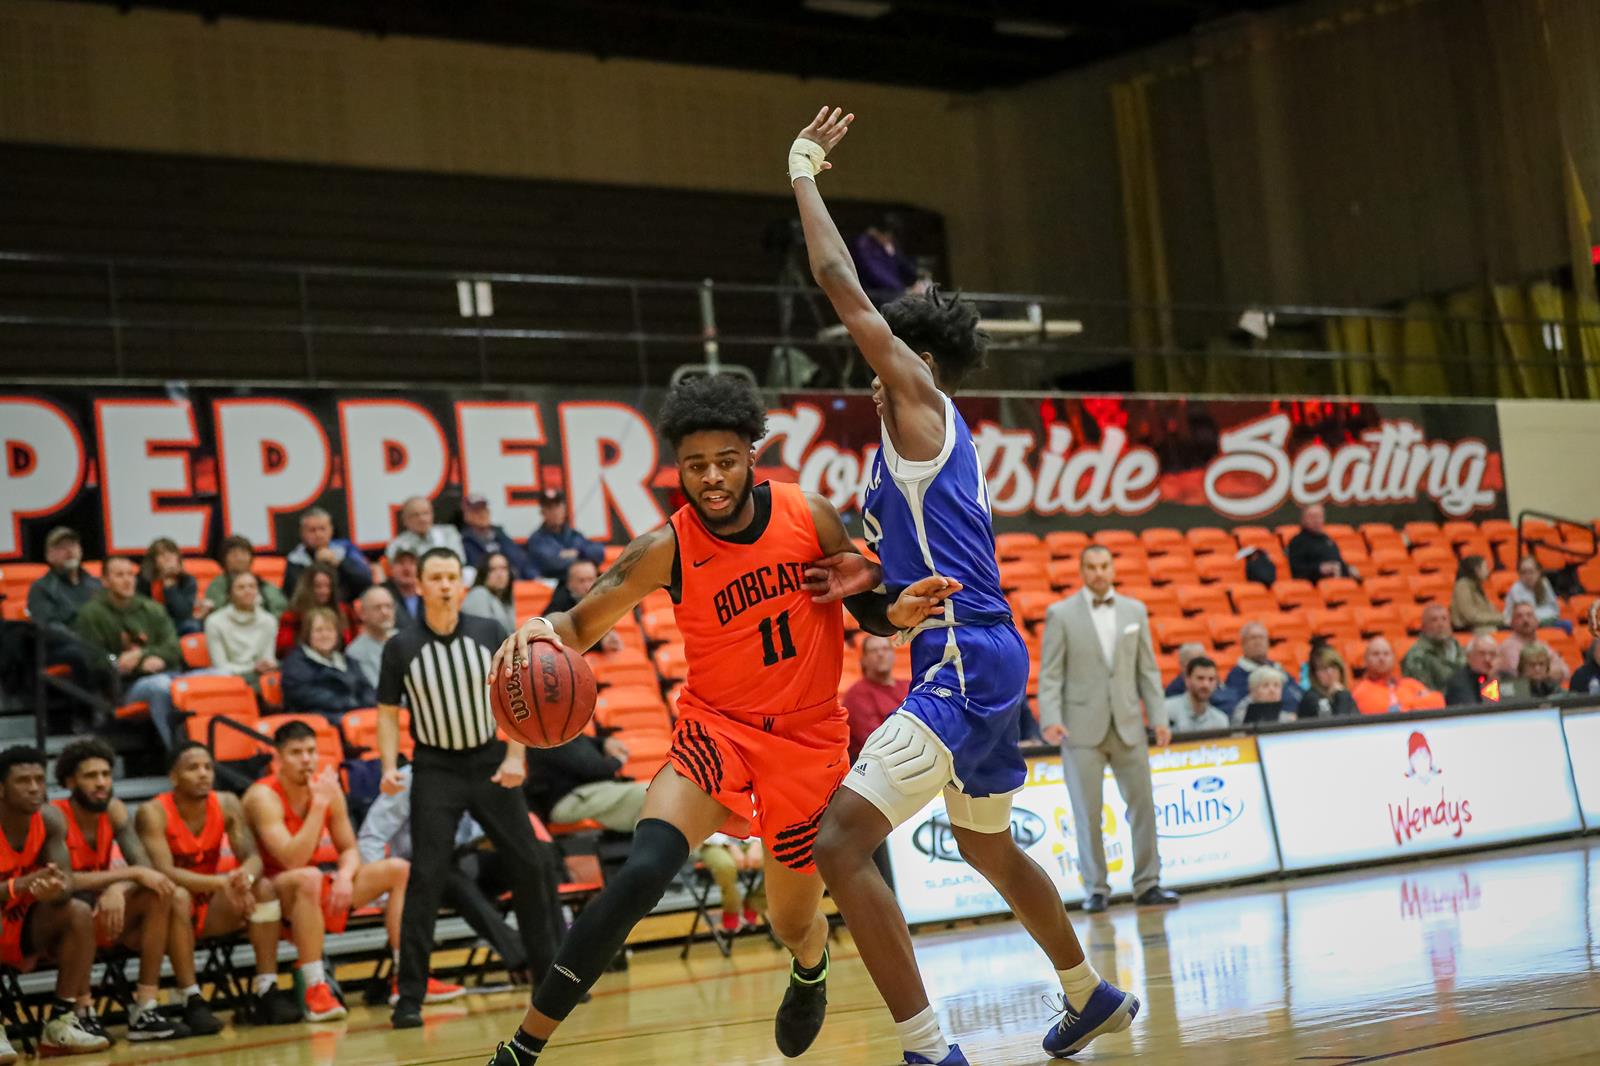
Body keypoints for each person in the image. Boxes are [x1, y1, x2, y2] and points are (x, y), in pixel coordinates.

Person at [793, 106, 1137, 1066]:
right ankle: (1088, 992)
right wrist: (854, 574)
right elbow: (887, 564)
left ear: (920, 358)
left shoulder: (919, 399)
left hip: (963, 657)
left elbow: (835, 279)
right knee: (986, 845)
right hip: (977, 650)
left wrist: (804, 171)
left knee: (838, 845)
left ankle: (929, 1049)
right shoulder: (900, 456)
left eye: (888, 351)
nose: (870, 369)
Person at [483, 374, 951, 1065]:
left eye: (725, 460)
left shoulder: (809, 514)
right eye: (696, 465)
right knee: (643, 871)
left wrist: (897, 615)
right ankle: (523, 1048)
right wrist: (537, 627)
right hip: (716, 733)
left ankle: (811, 958)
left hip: (808, 744)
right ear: (679, 468)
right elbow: (581, 623)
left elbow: (866, 602)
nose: (711, 477)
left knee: (791, 920)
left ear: (750, 456)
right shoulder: (665, 548)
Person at [379, 548, 565, 1030]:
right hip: (435, 768)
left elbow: (518, 694)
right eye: (434, 577)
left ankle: (548, 983)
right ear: (418, 585)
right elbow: (386, 713)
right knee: (426, 877)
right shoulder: (400, 647)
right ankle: (410, 996)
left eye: (450, 577)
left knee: (530, 863)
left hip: (489, 762)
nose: (443, 585)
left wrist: (516, 755)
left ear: (460, 586)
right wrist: (387, 766)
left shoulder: (488, 633)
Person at [244, 720, 451, 1019]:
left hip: (313, 886)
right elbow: (292, 860)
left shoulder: (326, 790)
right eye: (296, 752)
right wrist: (318, 806)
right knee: (308, 877)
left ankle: (408, 978)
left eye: (312, 751)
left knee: (398, 869)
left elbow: (349, 849)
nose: (307, 760)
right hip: (271, 892)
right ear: (277, 757)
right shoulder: (263, 796)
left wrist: (344, 876)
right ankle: (315, 987)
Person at [135, 742, 302, 1026]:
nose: (203, 774)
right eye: (193, 768)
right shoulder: (153, 812)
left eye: (208, 767)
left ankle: (266, 989)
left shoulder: (226, 803)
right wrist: (222, 883)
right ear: (174, 777)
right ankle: (191, 998)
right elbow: (164, 872)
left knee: (262, 889)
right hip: (165, 911)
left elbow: (252, 857)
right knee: (177, 896)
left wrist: (244, 879)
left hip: (211, 907)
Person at [52, 739, 203, 1042]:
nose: (101, 783)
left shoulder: (116, 810)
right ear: (70, 781)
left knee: (162, 891)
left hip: (106, 913)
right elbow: (63, 882)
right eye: (91, 776)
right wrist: (125, 877)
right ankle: (82, 1011)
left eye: (106, 774)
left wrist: (118, 888)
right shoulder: (55, 816)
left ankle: (144, 1007)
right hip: (59, 918)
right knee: (78, 908)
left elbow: (145, 868)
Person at [357, 764, 537, 985]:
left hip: (463, 857)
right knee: (450, 876)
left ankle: (549, 949)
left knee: (530, 862)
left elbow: (480, 833)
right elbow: (371, 837)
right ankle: (524, 956)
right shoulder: (407, 780)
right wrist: (384, 893)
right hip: (418, 869)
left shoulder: (476, 772)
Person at [0, 745, 110, 1056]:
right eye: (23, 781)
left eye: (39, 779)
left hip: (21, 924)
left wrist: (53, 889)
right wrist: (18, 886)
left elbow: (65, 884)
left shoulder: (49, 820)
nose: (35, 787)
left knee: (76, 910)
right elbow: (18, 886)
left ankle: (61, 1022)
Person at [74, 556, 182, 747]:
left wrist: (143, 654)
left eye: (130, 574)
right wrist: (118, 660)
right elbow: (97, 657)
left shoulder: (152, 608)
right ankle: (179, 754)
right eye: (119, 575)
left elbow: (173, 647)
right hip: (125, 686)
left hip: (169, 673)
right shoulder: (90, 614)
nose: (127, 580)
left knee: (220, 677)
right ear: (105, 581)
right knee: (160, 686)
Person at [523, 730, 646, 833]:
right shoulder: (547, 737)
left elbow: (586, 743)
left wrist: (605, 742)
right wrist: (618, 760)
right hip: (568, 801)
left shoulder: (566, 730)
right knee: (649, 794)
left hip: (591, 795)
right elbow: (595, 769)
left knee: (650, 806)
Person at [280, 606, 376, 722]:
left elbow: (366, 688)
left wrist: (364, 704)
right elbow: (304, 695)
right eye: (319, 630)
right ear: (307, 634)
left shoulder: (348, 661)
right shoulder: (296, 662)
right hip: (318, 719)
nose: (325, 635)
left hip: (353, 714)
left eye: (330, 630)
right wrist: (349, 702)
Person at [202, 570, 278, 688]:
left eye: (252, 586)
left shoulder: (269, 621)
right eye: (241, 587)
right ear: (230, 594)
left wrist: (265, 666)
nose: (248, 591)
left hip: (260, 677)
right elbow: (220, 667)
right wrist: (252, 668)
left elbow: (268, 658)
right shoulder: (214, 622)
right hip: (228, 679)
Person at [841, 634, 910, 763]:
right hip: (875, 765)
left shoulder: (909, 686)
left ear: (893, 655)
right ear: (863, 660)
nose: (880, 654)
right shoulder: (856, 694)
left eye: (885, 649)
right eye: (873, 650)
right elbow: (876, 742)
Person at [282, 508, 372, 605]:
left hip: (345, 606)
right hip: (311, 609)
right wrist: (315, 567)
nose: (318, 534)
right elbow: (293, 592)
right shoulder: (295, 558)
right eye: (312, 530)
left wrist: (338, 562)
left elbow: (365, 580)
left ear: (331, 530)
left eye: (322, 529)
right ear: (302, 533)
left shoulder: (346, 549)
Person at [26, 527, 102, 631]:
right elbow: (48, 628)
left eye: (73, 545)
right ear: (49, 555)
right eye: (62, 547)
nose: (69, 550)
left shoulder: (97, 584)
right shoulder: (41, 588)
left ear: (80, 550)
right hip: (67, 645)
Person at [276, 562, 355, 659]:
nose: (324, 591)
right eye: (318, 586)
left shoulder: (344, 611)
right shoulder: (292, 616)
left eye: (328, 586)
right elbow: (283, 650)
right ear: (307, 588)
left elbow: (353, 645)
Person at [1220, 622, 1303, 712]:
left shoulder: (1278, 668)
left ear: (1268, 643)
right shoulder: (1236, 675)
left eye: (1262, 638)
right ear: (1243, 644)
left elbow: (1298, 692)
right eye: (1253, 638)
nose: (1258, 642)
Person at [525, 488, 604, 580]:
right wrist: (582, 557)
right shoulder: (537, 539)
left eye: (558, 506)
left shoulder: (574, 535)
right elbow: (553, 563)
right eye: (550, 508)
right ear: (542, 512)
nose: (555, 512)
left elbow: (598, 552)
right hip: (557, 588)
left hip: (581, 586)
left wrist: (578, 552)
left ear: (564, 510)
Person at [1351, 638, 1446, 715]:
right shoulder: (1361, 691)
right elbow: (1384, 713)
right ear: (1365, 660)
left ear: (1393, 659)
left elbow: (1438, 701)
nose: (1381, 658)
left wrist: (1403, 707)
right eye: (1376, 654)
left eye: (1386, 654)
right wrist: (1416, 703)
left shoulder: (1410, 683)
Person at [138, 537, 209, 636]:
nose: (168, 558)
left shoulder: (187, 580)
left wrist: (170, 585)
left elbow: (183, 613)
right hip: (151, 625)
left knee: (193, 625)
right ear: (153, 561)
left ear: (178, 558)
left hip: (177, 623)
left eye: (172, 553)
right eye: (162, 555)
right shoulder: (143, 580)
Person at [388, 496, 470, 581]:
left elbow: (460, 560)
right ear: (405, 520)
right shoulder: (397, 544)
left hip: (449, 578)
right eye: (415, 515)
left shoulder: (448, 532)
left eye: (425, 513)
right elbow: (400, 573)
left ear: (432, 515)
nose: (422, 519)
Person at [203, 535, 287, 617]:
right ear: (224, 560)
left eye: (243, 553)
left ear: (251, 558)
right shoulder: (217, 585)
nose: (239, 558)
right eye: (234, 555)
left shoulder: (263, 584)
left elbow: (280, 607)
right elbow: (216, 611)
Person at [698, 834, 766, 933]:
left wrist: (757, 843)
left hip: (751, 840)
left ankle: (755, 905)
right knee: (725, 867)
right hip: (714, 843)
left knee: (781, 862)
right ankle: (732, 909)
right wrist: (731, 845)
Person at [848, 212, 924, 302]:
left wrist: (894, 254)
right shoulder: (863, 245)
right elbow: (877, 275)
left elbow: (909, 272)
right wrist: (905, 292)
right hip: (873, 294)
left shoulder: (885, 246)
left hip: (891, 292)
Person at [460, 493, 536, 580]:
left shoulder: (500, 534)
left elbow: (521, 560)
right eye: (477, 511)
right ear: (466, 516)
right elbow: (477, 569)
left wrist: (534, 577)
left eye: (484, 510)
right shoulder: (465, 541)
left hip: (517, 583)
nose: (482, 514)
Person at [1496, 602, 1573, 684]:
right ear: (1511, 623)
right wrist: (1551, 672)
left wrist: (1543, 673)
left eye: (1529, 615)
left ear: (1537, 621)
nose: (1525, 620)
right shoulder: (1508, 646)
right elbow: (1521, 675)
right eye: (1519, 616)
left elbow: (1565, 671)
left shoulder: (1542, 644)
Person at [1402, 604, 1466, 693]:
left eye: (1444, 619)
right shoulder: (1417, 657)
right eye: (1434, 620)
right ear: (1424, 627)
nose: (1440, 624)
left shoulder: (1461, 650)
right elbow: (1423, 693)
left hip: (1471, 701)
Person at [345, 586, 398, 689]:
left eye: (388, 606)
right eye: (377, 607)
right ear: (363, 613)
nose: (384, 612)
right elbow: (377, 690)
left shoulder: (405, 640)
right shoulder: (355, 652)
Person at [1286, 503, 1356, 583]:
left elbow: (1338, 562)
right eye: (1312, 517)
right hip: (1316, 586)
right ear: (1303, 519)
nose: (1316, 520)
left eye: (1319, 517)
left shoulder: (1327, 540)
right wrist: (1320, 569)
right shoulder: (1297, 542)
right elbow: (1297, 571)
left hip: (1339, 583)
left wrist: (1348, 569)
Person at [1165, 655, 1229, 734]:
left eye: (1211, 679)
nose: (1206, 685)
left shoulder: (1220, 721)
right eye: (1200, 678)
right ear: (1187, 680)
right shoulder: (1166, 711)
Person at [1503, 556, 1566, 630]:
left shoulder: (1544, 583)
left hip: (1545, 621)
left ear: (1538, 572)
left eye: (1531, 572)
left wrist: (1544, 617)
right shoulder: (1516, 589)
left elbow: (1554, 609)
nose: (1528, 576)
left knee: (1566, 625)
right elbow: (1523, 615)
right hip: (1524, 626)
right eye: (1524, 572)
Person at [464, 551, 518, 632]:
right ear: (483, 573)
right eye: (493, 569)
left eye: (504, 568)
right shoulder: (478, 594)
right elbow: (483, 634)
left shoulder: (506, 597)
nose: (500, 574)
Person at [1298, 646, 1358, 718]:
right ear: (1314, 674)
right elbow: (1338, 726)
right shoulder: (1311, 698)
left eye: (1333, 667)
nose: (1329, 673)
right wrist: (1342, 696)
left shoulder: (1345, 694)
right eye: (1323, 668)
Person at [1443, 634, 1503, 707]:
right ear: (1469, 657)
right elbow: (1479, 712)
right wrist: (1489, 682)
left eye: (1492, 654)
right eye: (1481, 654)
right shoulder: (1458, 683)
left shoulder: (1505, 676)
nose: (1487, 659)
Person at [1450, 555, 1501, 633]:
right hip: (1468, 629)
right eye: (1485, 568)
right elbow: (1470, 616)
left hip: (1481, 625)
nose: (1488, 571)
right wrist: (1500, 618)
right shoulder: (1462, 586)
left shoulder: (1476, 586)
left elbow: (1489, 611)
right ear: (1477, 570)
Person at [382, 546, 424, 630]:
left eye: (412, 563)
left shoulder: (429, 593)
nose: (406, 568)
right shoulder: (381, 595)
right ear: (391, 568)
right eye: (401, 563)